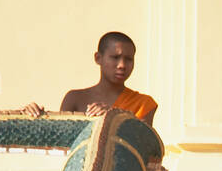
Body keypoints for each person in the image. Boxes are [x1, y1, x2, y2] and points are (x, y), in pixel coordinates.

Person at [22, 32, 157, 124]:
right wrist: (36, 118)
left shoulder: (143, 104)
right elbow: (62, 141)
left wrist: (114, 118)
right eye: (115, 58)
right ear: (98, 58)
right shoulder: (75, 98)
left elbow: (142, 145)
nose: (122, 65)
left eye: (128, 59)